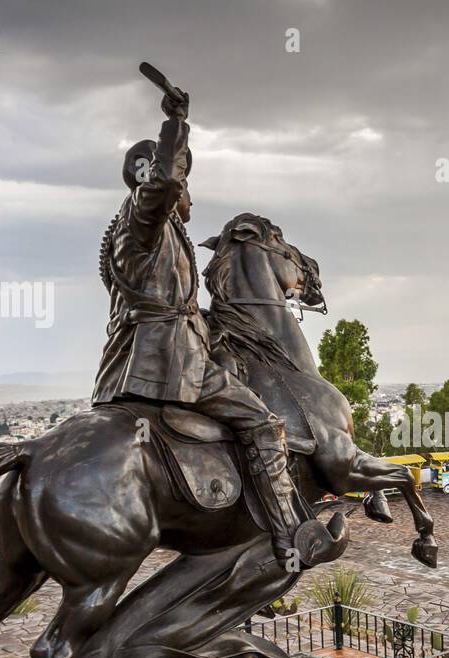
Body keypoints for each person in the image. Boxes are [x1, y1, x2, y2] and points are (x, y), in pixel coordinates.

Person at [93, 83, 305, 567]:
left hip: (152, 355)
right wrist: (176, 124)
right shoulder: (144, 220)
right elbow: (164, 182)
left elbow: (165, 300)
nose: (187, 194)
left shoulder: (146, 235)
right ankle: (287, 532)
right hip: (171, 362)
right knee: (262, 422)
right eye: (184, 185)